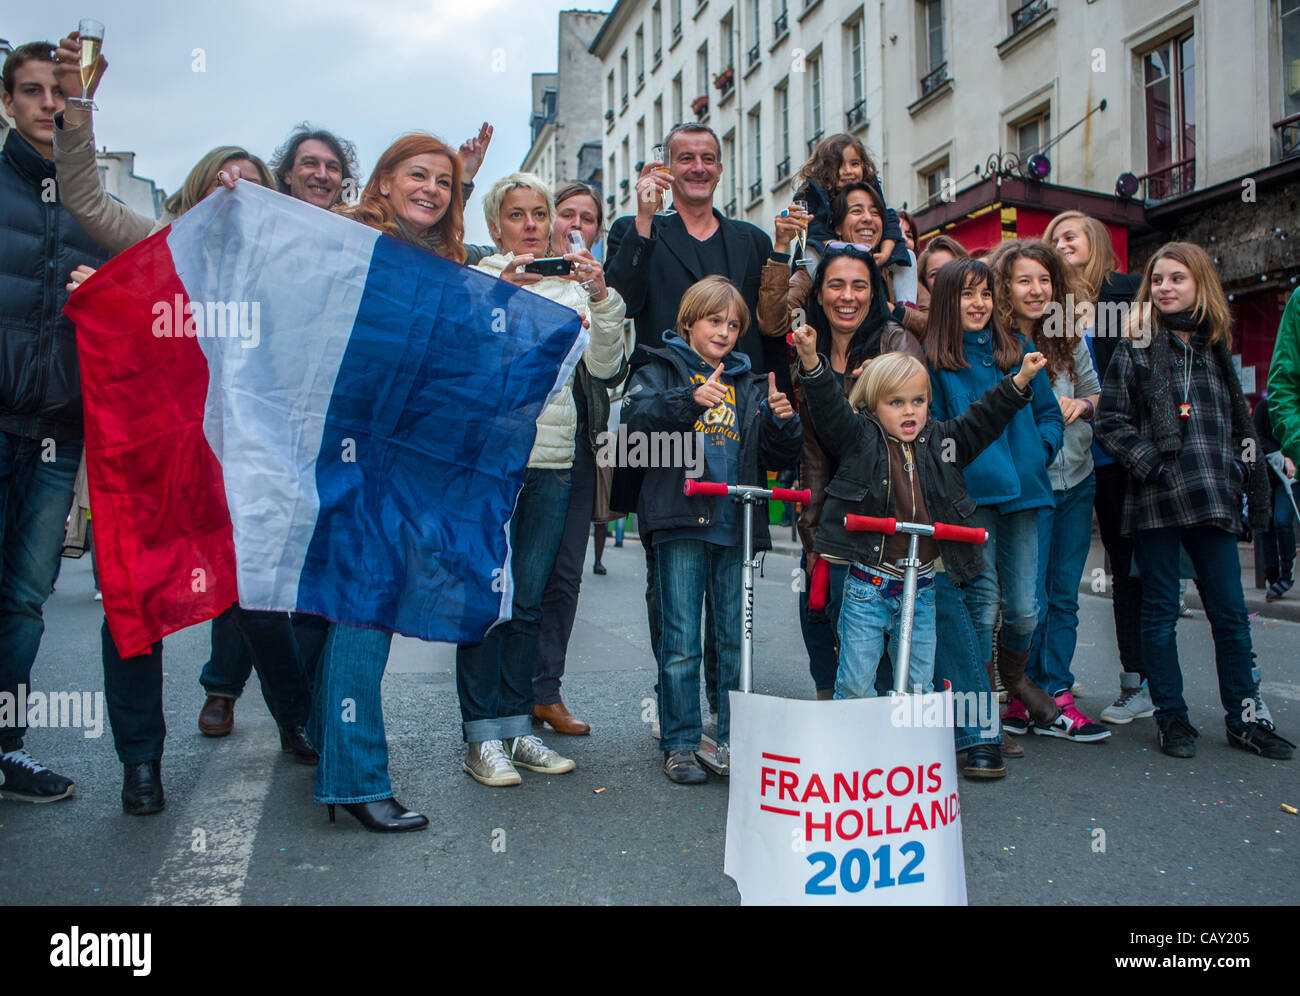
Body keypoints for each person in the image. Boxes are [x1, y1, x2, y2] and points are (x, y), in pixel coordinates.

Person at [456, 172, 625, 784]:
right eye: (516, 214)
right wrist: (499, 295)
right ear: (496, 225)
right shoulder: (479, 279)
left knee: (528, 603)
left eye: (538, 213)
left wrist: (603, 297)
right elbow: (468, 356)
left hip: (553, 458)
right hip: (491, 459)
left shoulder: (576, 286)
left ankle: (516, 727)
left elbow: (605, 367)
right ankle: (482, 739)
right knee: (485, 601)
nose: (529, 224)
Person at [1096, 241, 1293, 761]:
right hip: (1157, 500)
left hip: (1213, 497)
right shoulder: (1135, 345)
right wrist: (1152, 464)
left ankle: (1244, 719)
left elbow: (1235, 423)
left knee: (1230, 613)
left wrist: (1239, 476)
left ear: (1199, 284)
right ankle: (1172, 717)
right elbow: (1109, 420)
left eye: (1177, 278)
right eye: (1157, 279)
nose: (1164, 287)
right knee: (1160, 611)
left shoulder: (1216, 349)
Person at [791, 334, 1045, 702]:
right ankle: (851, 753)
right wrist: (812, 362)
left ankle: (912, 754)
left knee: (917, 684)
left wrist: (1018, 382)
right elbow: (829, 409)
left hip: (922, 586)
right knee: (857, 680)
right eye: (896, 402)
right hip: (867, 585)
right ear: (871, 405)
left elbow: (982, 419)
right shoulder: (859, 438)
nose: (909, 411)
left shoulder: (944, 441)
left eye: (918, 401)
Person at [622, 276, 801, 783]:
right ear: (688, 323)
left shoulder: (748, 380)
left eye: (734, 324)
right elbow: (635, 425)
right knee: (681, 637)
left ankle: (730, 737)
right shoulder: (659, 367)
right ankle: (679, 742)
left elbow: (772, 455)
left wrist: (783, 424)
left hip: (734, 523)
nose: (725, 331)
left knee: (733, 639)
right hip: (679, 520)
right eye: (714, 320)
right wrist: (686, 400)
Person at [0, 41, 111, 804]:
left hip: (54, 432)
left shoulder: (92, 206)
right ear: (8, 102)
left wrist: (111, 289)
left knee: (22, 601)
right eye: (32, 91)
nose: (47, 104)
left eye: (58, 93)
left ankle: (6, 749)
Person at [759, 245, 921, 700]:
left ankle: (884, 724)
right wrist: (813, 537)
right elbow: (811, 451)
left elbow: (912, 432)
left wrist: (881, 385)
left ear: (875, 293)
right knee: (818, 605)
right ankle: (832, 708)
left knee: (878, 633)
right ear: (820, 293)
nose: (847, 296)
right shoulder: (806, 349)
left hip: (882, 513)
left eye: (859, 285)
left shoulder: (895, 343)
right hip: (826, 506)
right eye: (835, 284)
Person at [927, 257, 1065, 739]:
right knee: (983, 605)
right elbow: (938, 435)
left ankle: (1015, 678)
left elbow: (1050, 415)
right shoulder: (936, 361)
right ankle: (984, 716)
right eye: (966, 294)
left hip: (1027, 492)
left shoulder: (1019, 347)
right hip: (973, 500)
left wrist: (1039, 451)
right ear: (947, 300)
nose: (979, 304)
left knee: (1026, 606)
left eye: (985, 293)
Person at [985, 240, 1108, 742]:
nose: (1036, 290)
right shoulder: (996, 343)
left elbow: (1096, 390)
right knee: (1026, 599)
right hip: (1026, 487)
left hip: (1076, 478)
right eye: (1024, 280)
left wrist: (1083, 406)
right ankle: (1021, 695)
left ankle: (1056, 693)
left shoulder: (1067, 336)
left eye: (1044, 280)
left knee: (1065, 595)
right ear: (1004, 288)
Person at [1043, 210, 1150, 724]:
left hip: (1129, 451)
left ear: (1097, 241)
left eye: (1071, 235)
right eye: (1054, 237)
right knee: (1106, 569)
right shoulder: (1051, 305)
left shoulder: (1125, 291)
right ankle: (1054, 682)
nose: (1062, 242)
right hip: (1083, 459)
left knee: (1138, 569)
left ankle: (1144, 682)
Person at [531, 180, 630, 736]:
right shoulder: (519, 272)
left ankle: (547, 691)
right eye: (565, 214)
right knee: (520, 575)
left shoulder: (600, 289)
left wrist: (599, 294)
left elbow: (611, 369)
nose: (576, 225)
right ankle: (502, 698)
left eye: (587, 218)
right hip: (522, 447)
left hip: (578, 446)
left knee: (565, 576)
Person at [792, 133, 908, 273]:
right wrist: (846, 250)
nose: (848, 171)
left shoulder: (870, 186)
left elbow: (888, 219)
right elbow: (812, 229)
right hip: (827, 251)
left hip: (867, 252)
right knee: (811, 250)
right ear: (824, 169)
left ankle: (904, 296)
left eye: (854, 164)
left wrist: (885, 254)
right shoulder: (812, 192)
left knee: (907, 255)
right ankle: (820, 289)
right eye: (839, 166)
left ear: (863, 165)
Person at [1253, 394, 1298, 601]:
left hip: (1289, 478)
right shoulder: (1264, 408)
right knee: (1265, 526)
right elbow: (1253, 439)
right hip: (1267, 475)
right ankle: (1272, 575)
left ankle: (1286, 575)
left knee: (1281, 521)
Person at [915, 234, 970, 319]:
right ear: (924, 282)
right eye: (934, 274)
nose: (944, 277)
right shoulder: (920, 325)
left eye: (951, 268)